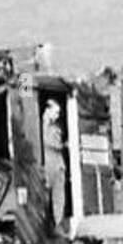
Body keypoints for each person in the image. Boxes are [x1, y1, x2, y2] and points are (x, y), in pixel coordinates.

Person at [41, 99, 68, 231]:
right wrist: (64, 145)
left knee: (59, 197)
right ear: (47, 111)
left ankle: (58, 224)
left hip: (58, 165)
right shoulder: (42, 125)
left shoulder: (57, 126)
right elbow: (48, 142)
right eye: (55, 112)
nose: (57, 116)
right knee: (46, 198)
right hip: (48, 165)